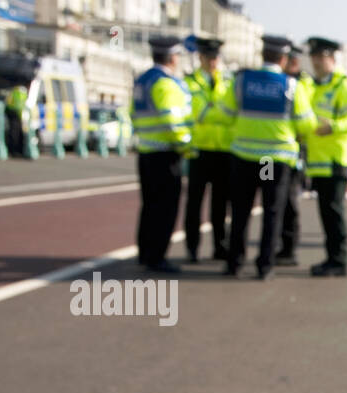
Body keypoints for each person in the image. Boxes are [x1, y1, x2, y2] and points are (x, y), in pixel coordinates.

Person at [218, 35, 316, 280]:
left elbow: (225, 114)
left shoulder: (241, 81)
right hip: (273, 160)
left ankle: (234, 262)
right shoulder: (292, 86)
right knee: (272, 211)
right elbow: (306, 124)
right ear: (283, 59)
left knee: (240, 211)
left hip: (243, 156)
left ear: (262, 55)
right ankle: (265, 265)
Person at [302, 36, 347, 277]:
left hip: (336, 161)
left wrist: (334, 126)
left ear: (332, 58)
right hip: (318, 162)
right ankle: (332, 258)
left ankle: (338, 261)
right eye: (314, 57)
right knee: (326, 214)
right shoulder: (314, 87)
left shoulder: (346, 86)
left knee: (334, 213)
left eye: (321, 57)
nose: (316, 62)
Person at [131, 37, 193, 273]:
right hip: (166, 154)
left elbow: (133, 114)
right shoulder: (166, 84)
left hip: (146, 151)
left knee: (148, 205)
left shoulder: (141, 81)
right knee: (165, 208)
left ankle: (145, 252)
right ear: (173, 57)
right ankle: (157, 256)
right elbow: (172, 120)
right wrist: (186, 144)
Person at [182, 36, 232, 263]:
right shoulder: (189, 83)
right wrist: (219, 114)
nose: (213, 62)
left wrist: (211, 114)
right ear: (200, 57)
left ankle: (220, 247)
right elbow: (196, 114)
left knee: (221, 205)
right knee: (194, 204)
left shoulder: (228, 82)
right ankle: (192, 248)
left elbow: (231, 114)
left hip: (224, 150)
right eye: (209, 57)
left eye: (216, 58)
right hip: (199, 150)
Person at [276, 43, 313, 266]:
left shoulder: (303, 85)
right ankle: (277, 245)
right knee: (274, 199)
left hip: (294, 152)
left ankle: (288, 248)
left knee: (288, 200)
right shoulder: (279, 81)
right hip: (273, 154)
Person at [5, 84, 29, 156]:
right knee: (19, 133)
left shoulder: (13, 92)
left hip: (13, 114)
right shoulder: (24, 93)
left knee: (13, 133)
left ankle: (13, 151)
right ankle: (20, 150)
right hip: (20, 115)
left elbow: (8, 103)